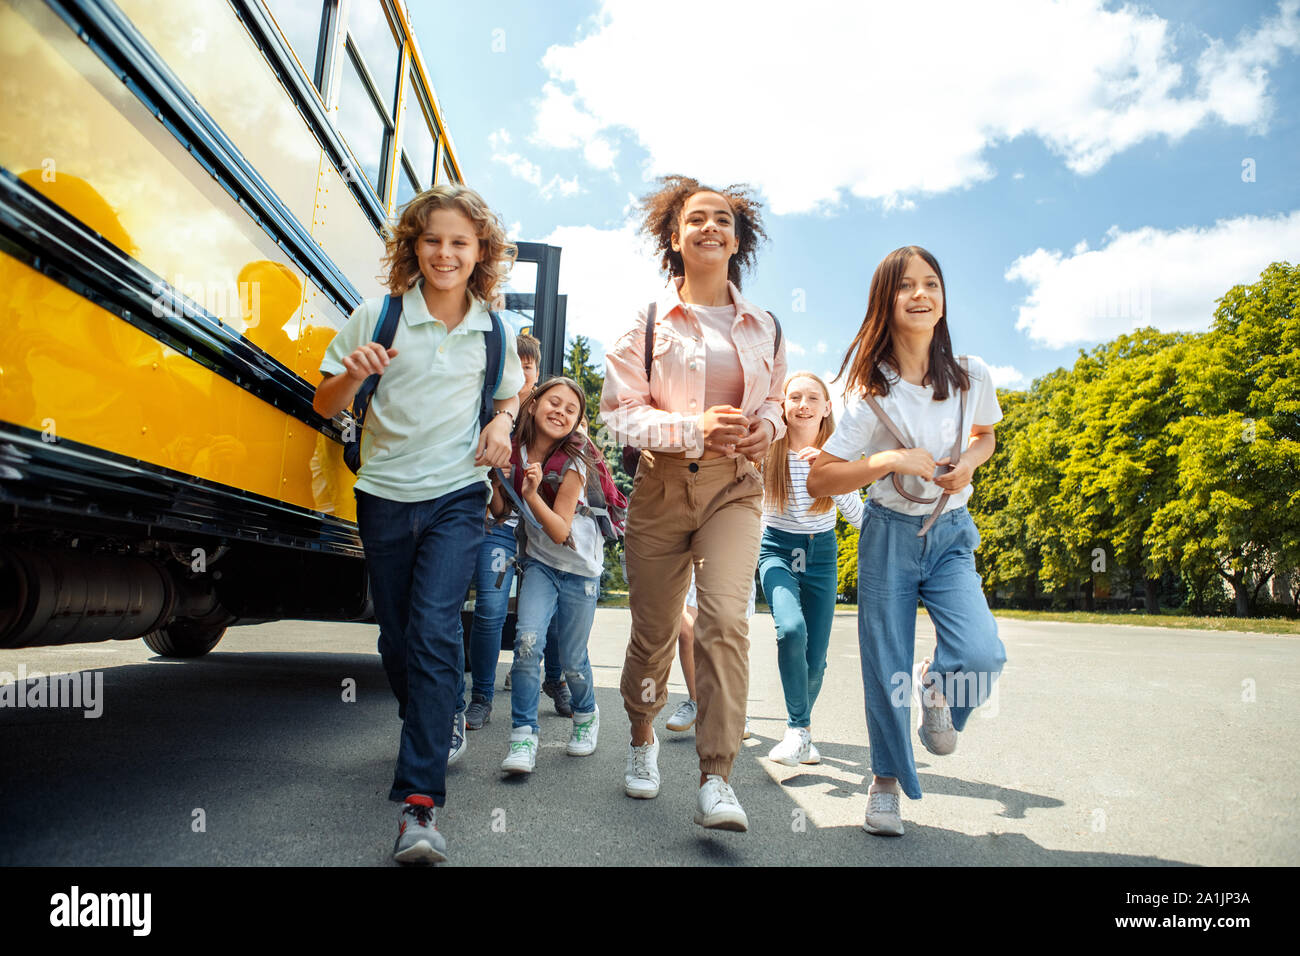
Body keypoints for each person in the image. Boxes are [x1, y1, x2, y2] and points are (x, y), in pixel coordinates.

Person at [314, 184, 523, 864]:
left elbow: (508, 398)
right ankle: (430, 718)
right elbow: (325, 402)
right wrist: (352, 374)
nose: (445, 253)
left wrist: (499, 423)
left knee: (435, 631)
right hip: (381, 494)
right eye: (433, 240)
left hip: (457, 497)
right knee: (399, 639)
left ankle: (420, 807)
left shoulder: (492, 328)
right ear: (414, 246)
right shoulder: (377, 315)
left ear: (480, 253)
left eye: (460, 242)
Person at [600, 175, 785, 831]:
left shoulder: (765, 326)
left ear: (738, 240)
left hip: (734, 488)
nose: (711, 228)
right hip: (660, 487)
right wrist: (691, 429)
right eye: (697, 219)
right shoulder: (645, 323)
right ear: (674, 238)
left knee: (725, 623)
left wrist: (765, 428)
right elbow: (619, 414)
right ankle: (643, 734)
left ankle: (716, 776)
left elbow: (775, 406)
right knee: (652, 636)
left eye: (724, 221)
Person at [806, 245, 1006, 838]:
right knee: (884, 664)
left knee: (982, 653)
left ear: (943, 298)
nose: (921, 294)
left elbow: (986, 435)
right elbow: (821, 475)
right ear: (886, 303)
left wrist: (970, 461)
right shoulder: (871, 394)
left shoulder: (973, 375)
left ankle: (937, 687)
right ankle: (886, 783)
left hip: (950, 533)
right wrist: (888, 458)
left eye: (932, 284)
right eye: (907, 286)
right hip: (888, 534)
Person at [490, 377, 604, 774]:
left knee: (572, 659)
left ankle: (586, 715)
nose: (561, 412)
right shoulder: (514, 448)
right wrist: (497, 477)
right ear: (534, 403)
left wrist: (534, 493)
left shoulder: (575, 457)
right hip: (539, 564)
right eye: (554, 402)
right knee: (526, 642)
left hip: (579, 568)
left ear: (577, 422)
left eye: (571, 410)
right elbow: (501, 511)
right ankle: (523, 734)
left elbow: (561, 531)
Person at [460, 334, 571, 734]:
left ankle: (555, 680)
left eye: (528, 366)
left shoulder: (552, 411)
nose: (522, 373)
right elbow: (495, 496)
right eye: (515, 365)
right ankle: (481, 698)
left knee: (553, 612)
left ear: (537, 371)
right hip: (502, 527)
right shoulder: (491, 411)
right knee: (490, 609)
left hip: (540, 530)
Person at [758, 372, 864, 766]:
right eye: (794, 397)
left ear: (826, 407)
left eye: (812, 398)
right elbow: (751, 510)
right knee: (791, 629)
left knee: (816, 659)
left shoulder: (837, 456)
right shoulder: (768, 451)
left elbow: (861, 519)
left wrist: (832, 477)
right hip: (777, 551)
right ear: (782, 406)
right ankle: (797, 729)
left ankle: (800, 733)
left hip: (821, 555)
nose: (803, 404)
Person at [664, 569, 756, 741]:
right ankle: (697, 702)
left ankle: (734, 711)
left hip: (733, 558)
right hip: (694, 559)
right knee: (686, 630)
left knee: (730, 635)